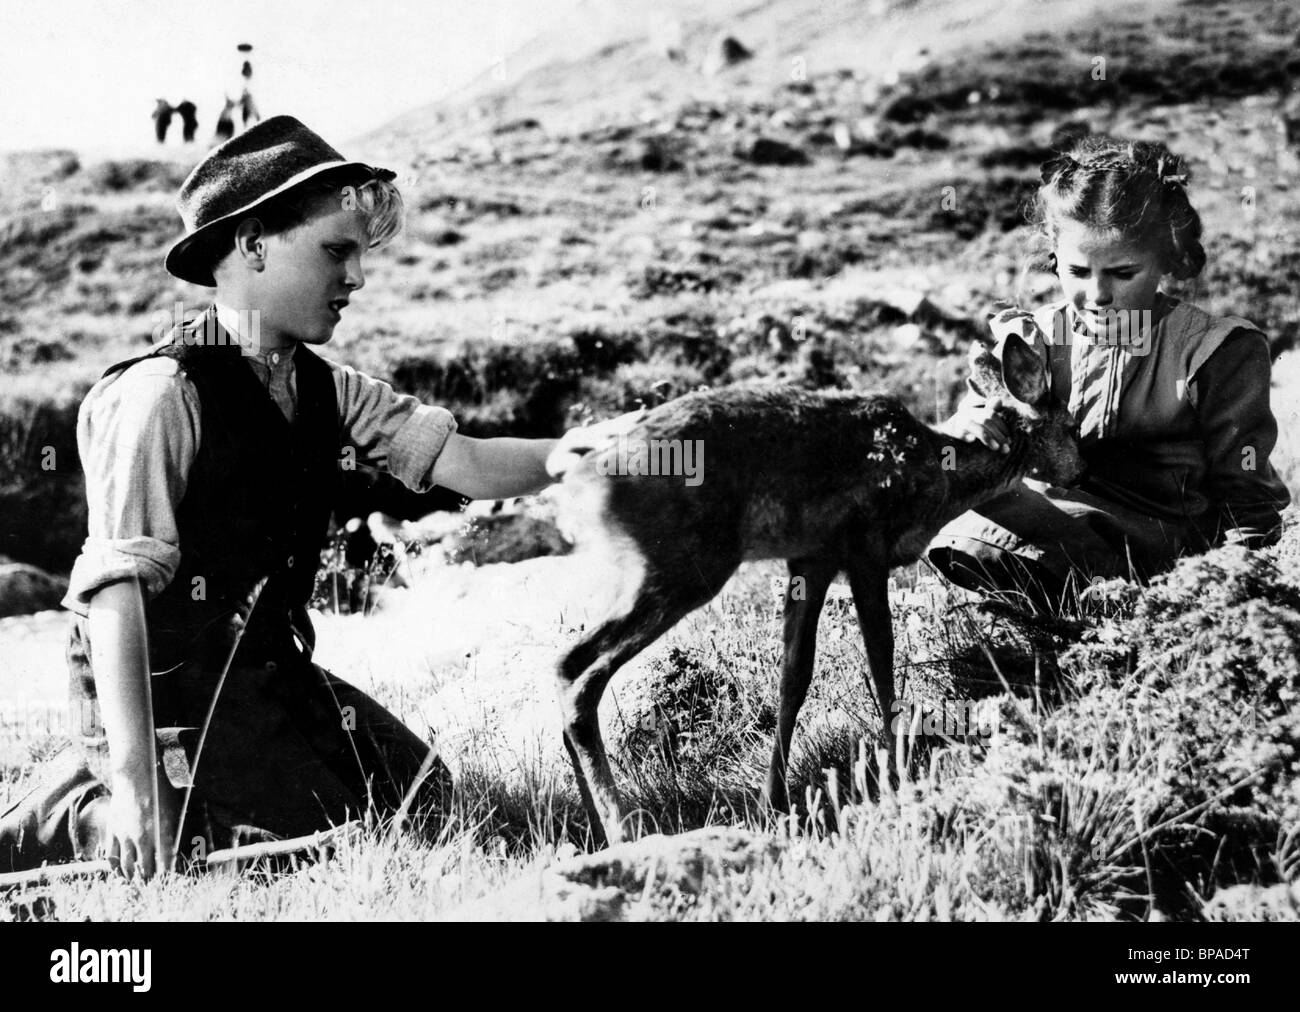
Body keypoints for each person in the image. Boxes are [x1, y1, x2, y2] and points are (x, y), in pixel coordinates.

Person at [0, 116, 625, 879]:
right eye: (337, 250)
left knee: (420, 800)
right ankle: (77, 816)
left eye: (361, 255)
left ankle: (185, 789)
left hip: (263, 673)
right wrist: (134, 776)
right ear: (254, 245)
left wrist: (602, 451)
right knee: (259, 852)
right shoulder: (162, 395)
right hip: (153, 692)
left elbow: (467, 461)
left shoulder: (328, 387)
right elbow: (116, 595)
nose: (357, 278)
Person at [927, 135, 1291, 612]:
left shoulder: (1216, 351)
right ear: (1054, 256)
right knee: (962, 497)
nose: (1097, 295)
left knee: (1009, 535)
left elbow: (1246, 497)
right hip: (1050, 519)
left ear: (1167, 259)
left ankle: (1100, 601)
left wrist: (1238, 593)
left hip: (1162, 541)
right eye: (1079, 271)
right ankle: (1058, 599)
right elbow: (972, 435)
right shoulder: (1033, 337)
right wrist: (967, 431)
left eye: (1122, 273)